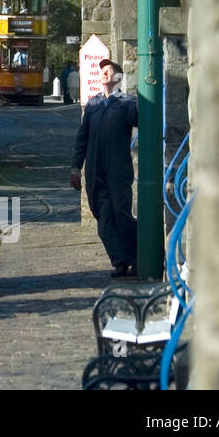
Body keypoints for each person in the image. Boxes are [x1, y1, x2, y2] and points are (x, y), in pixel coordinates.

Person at [70, 59, 139, 277]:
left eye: (109, 71)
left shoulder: (128, 103)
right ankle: (119, 260)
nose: (104, 74)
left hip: (118, 170)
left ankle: (136, 257)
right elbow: (82, 138)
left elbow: (142, 122)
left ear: (118, 78)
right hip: (95, 170)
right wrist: (75, 168)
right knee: (103, 218)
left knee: (122, 214)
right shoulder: (92, 105)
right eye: (102, 72)